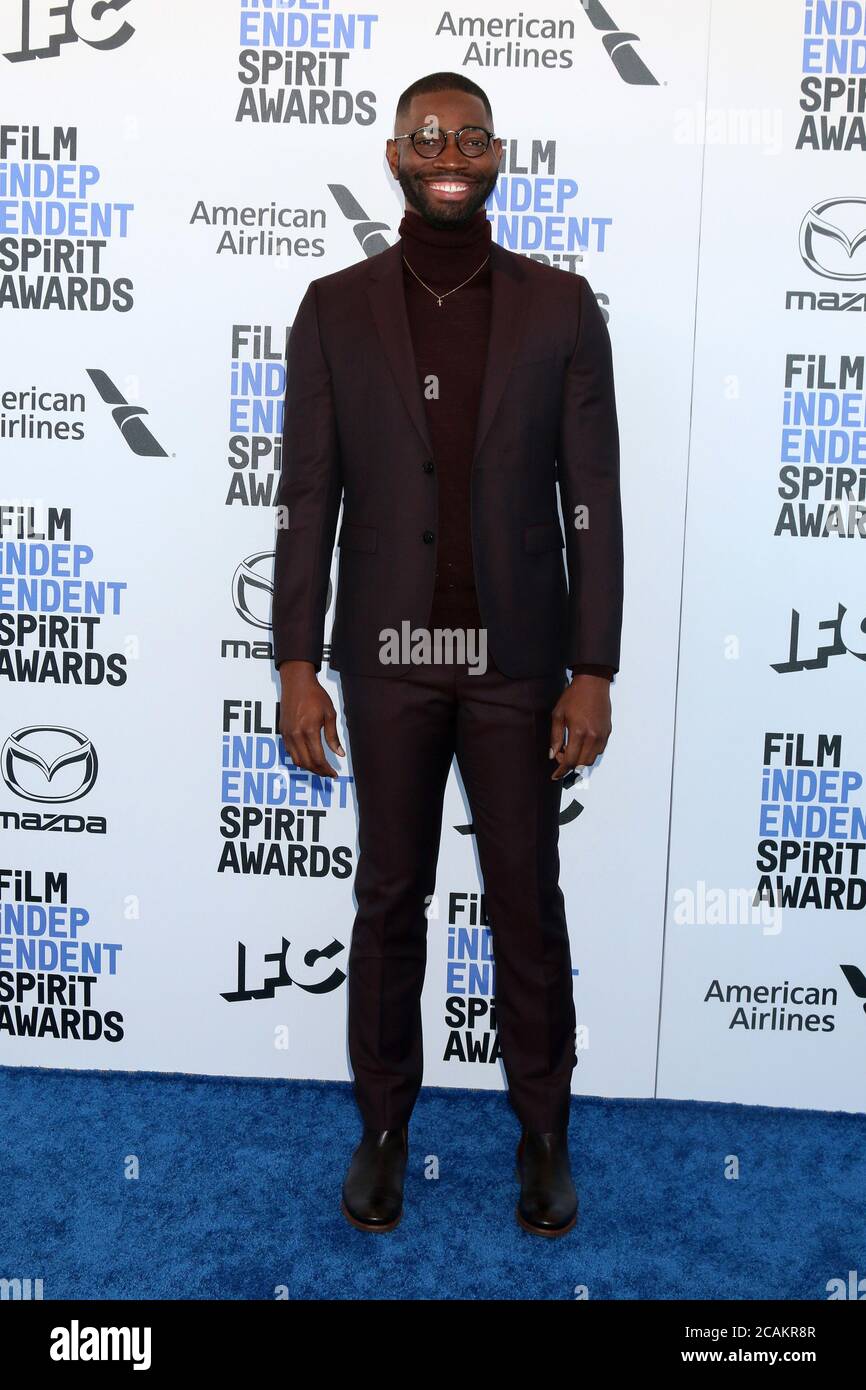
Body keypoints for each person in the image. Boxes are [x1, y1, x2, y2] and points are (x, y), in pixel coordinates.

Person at [272, 71, 623, 1237]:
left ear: (498, 154)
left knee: (525, 901)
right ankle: (381, 1129)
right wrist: (293, 662)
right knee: (389, 897)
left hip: (518, 658)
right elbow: (307, 496)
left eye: (468, 137)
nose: (448, 154)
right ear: (391, 154)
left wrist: (591, 665)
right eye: (428, 138)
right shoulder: (331, 307)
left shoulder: (562, 307)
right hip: (386, 654)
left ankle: (542, 1136)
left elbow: (593, 500)